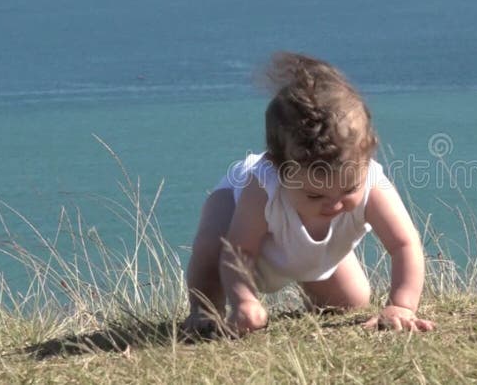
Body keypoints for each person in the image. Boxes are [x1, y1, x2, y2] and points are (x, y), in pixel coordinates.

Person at [183, 52, 434, 335]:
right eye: (315, 195)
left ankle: (309, 278)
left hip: (302, 250)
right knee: (213, 246)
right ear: (278, 170)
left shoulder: (373, 184)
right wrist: (244, 300)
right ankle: (203, 311)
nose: (335, 204)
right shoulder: (262, 186)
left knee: (350, 302)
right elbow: (239, 251)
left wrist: (401, 305)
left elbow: (404, 244)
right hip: (245, 238)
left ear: (368, 159)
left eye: (349, 189)